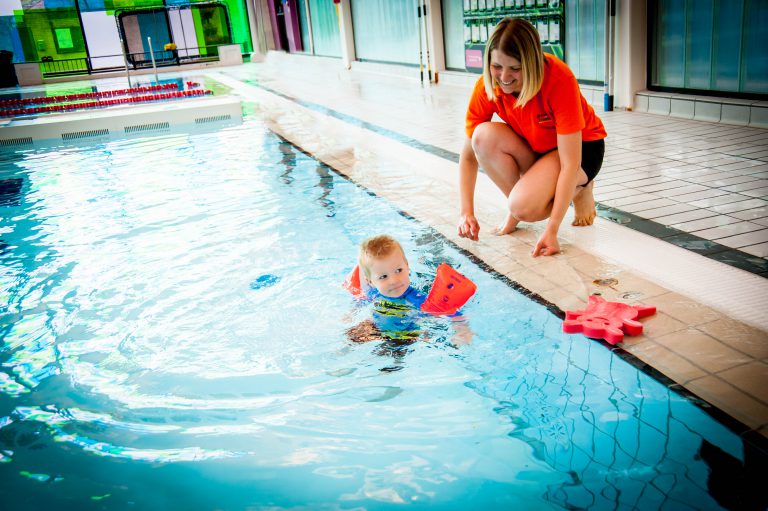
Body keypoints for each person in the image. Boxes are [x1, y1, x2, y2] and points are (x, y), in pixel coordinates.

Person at [458, 17, 607, 257]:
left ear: (531, 63)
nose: (504, 77)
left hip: (581, 149)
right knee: (481, 136)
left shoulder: (559, 80)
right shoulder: (487, 87)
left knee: (524, 207)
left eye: (515, 68)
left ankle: (581, 188)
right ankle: (519, 205)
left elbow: (570, 163)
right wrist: (466, 212)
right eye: (497, 66)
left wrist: (552, 229)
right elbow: (467, 157)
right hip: (538, 148)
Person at [345, 234, 472, 345]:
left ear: (407, 267)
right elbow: (362, 297)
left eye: (398, 270)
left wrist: (463, 330)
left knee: (391, 355)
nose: (394, 281)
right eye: (383, 277)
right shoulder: (373, 292)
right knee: (351, 335)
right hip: (377, 326)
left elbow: (452, 313)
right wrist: (351, 313)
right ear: (371, 281)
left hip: (405, 334)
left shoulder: (416, 299)